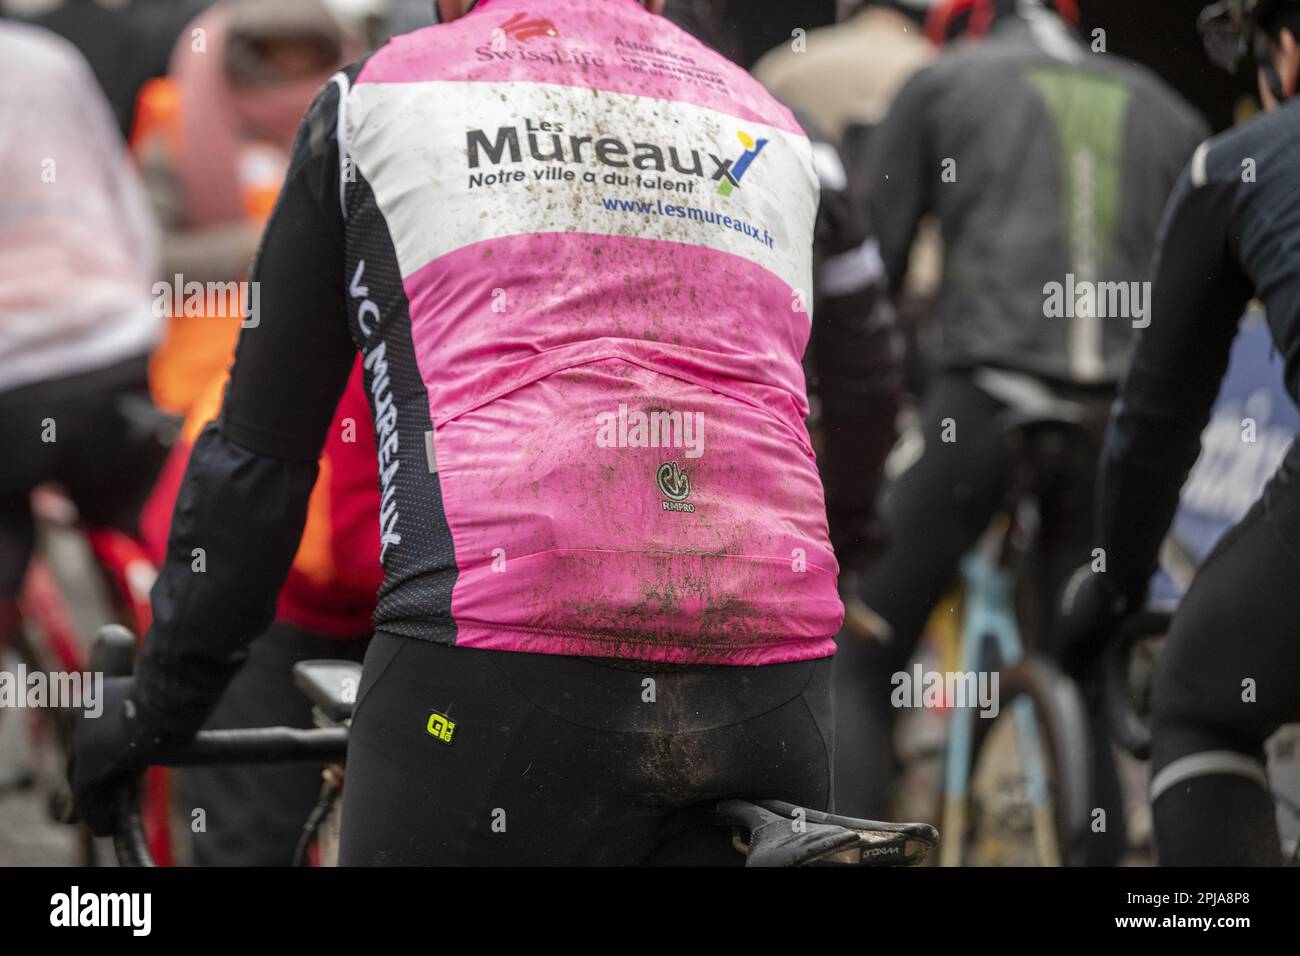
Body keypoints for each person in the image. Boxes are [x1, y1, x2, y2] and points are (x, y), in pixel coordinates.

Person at [71, 0, 859, 866]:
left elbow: (259, 460)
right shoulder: (773, 127)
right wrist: (858, 548)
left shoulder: (379, 100)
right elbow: (857, 381)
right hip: (774, 670)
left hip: (488, 668)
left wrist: (158, 710)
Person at [835, 0, 1208, 860]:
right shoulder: (1170, 109)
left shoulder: (943, 83)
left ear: (962, 22)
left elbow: (870, 278)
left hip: (981, 405)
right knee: (1076, 661)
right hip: (1116, 427)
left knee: (857, 653)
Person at [129, 0, 378, 866]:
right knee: (250, 826)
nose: (283, 65)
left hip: (360, 532)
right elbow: (147, 259)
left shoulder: (371, 129)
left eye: (299, 48)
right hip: (241, 429)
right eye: (262, 50)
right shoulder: (178, 121)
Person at [1060, 0, 1300, 866]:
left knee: (1198, 691)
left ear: (1286, 51)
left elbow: (1157, 422)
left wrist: (1116, 584)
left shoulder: (1240, 163)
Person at [0, 22, 164, 645]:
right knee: (142, 534)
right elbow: (119, 192)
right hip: (107, 345)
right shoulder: (50, 57)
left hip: (11, 381)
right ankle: (161, 703)